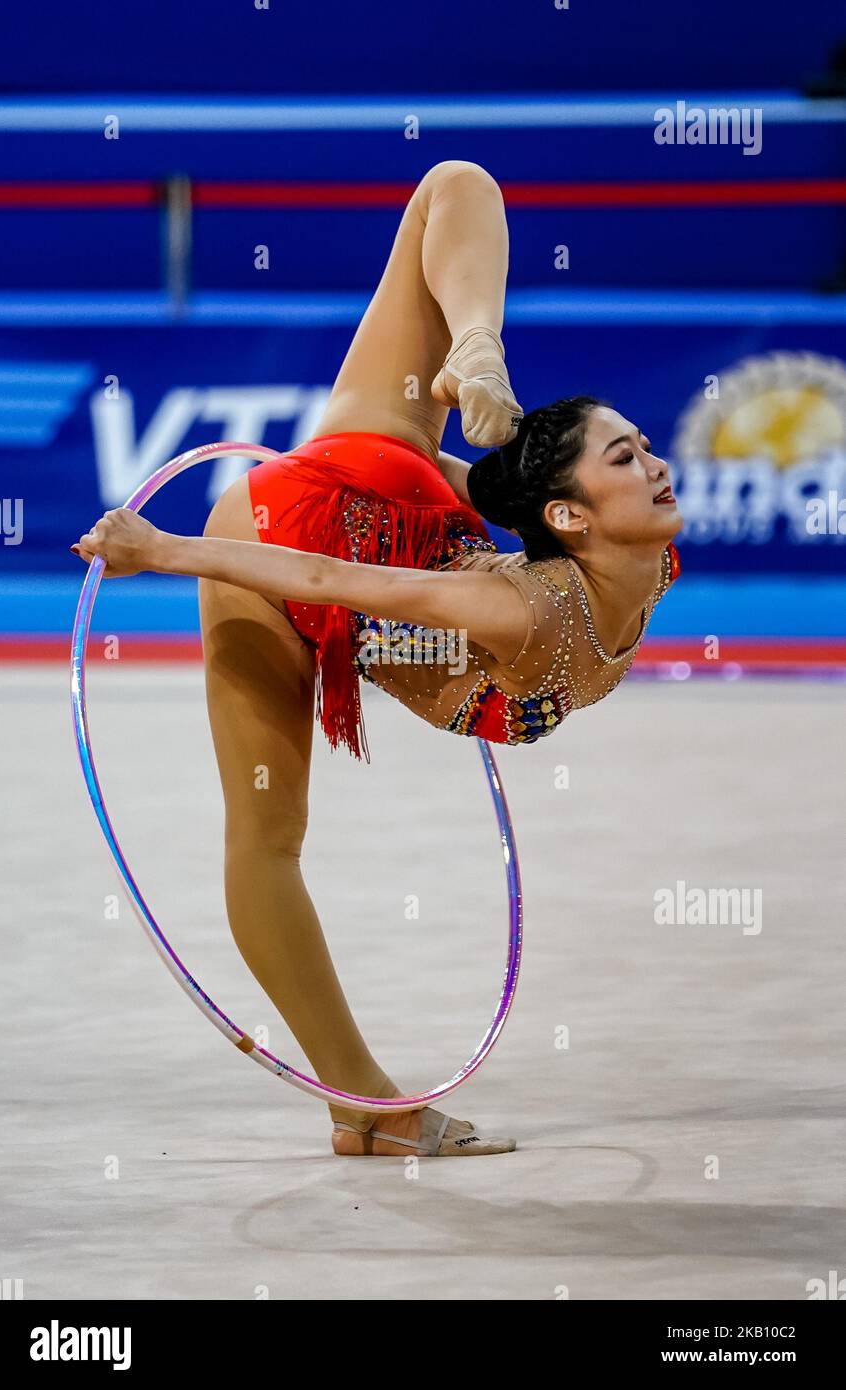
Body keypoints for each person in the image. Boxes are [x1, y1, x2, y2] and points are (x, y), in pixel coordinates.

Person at [72, 161, 682, 1158]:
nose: (655, 464)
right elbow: (331, 583)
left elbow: (419, 576)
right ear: (571, 516)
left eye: (642, 448)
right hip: (298, 530)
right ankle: (361, 1099)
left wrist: (480, 476)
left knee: (449, 189)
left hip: (403, 496)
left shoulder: (649, 561)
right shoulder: (520, 606)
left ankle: (470, 367)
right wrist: (163, 550)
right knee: (266, 835)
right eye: (626, 457)